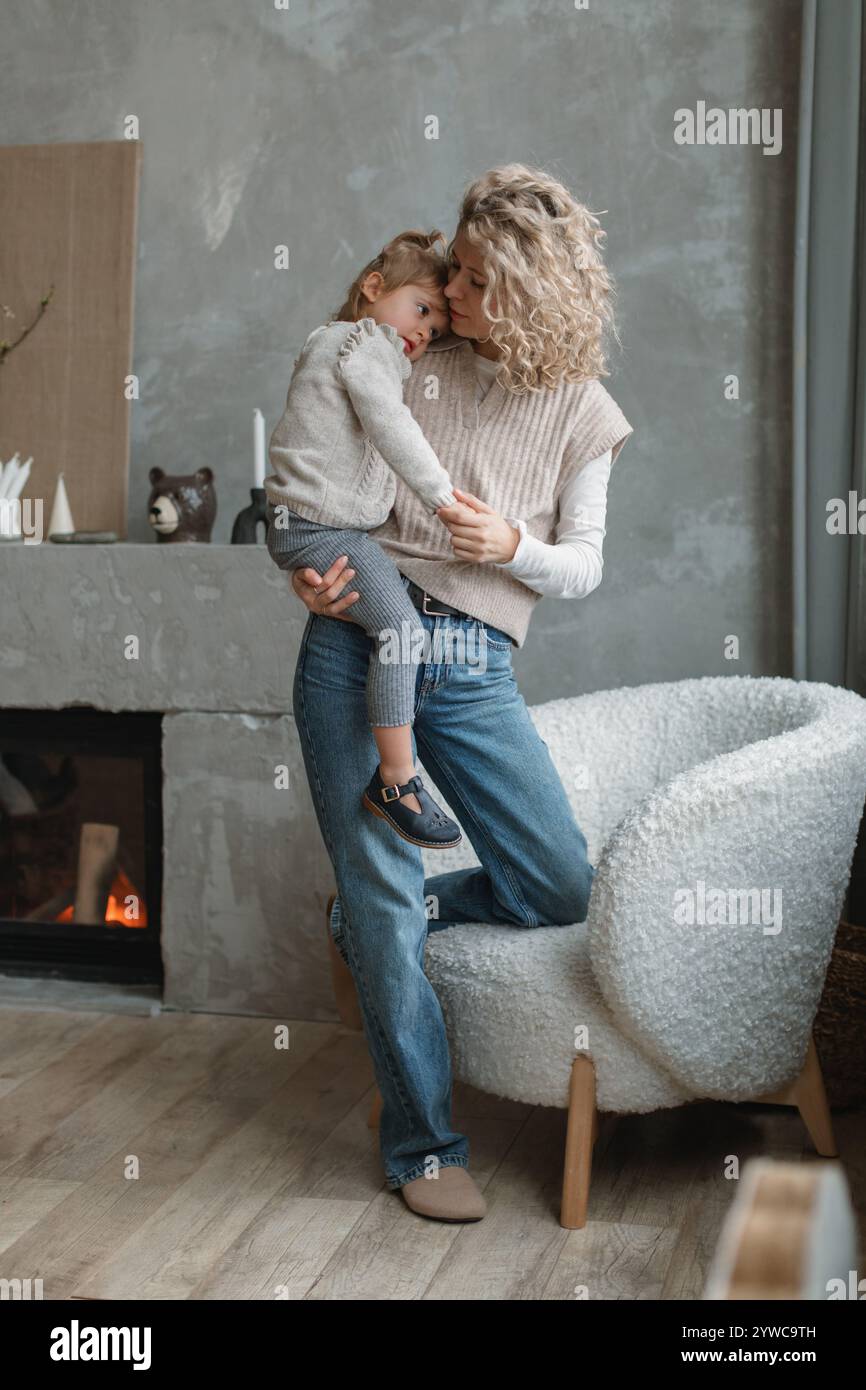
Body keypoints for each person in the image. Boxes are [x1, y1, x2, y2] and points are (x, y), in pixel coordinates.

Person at [288, 164, 634, 1222]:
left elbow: (583, 565)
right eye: (455, 273)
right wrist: (305, 559)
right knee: (390, 902)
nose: (454, 293)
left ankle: (370, 917)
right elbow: (318, 456)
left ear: (532, 293)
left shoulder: (582, 410)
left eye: (480, 282)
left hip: (474, 660)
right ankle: (423, 1146)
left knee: (557, 885)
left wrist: (513, 545)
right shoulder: (409, 345)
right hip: (353, 640)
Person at [264, 230, 467, 849]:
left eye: (433, 331)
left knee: (390, 630)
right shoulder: (368, 344)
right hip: (321, 526)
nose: (422, 335)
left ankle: (395, 771)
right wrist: (442, 496)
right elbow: (389, 422)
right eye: (421, 310)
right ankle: (397, 780)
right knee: (402, 631)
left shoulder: (329, 343)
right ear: (374, 289)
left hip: (299, 525)